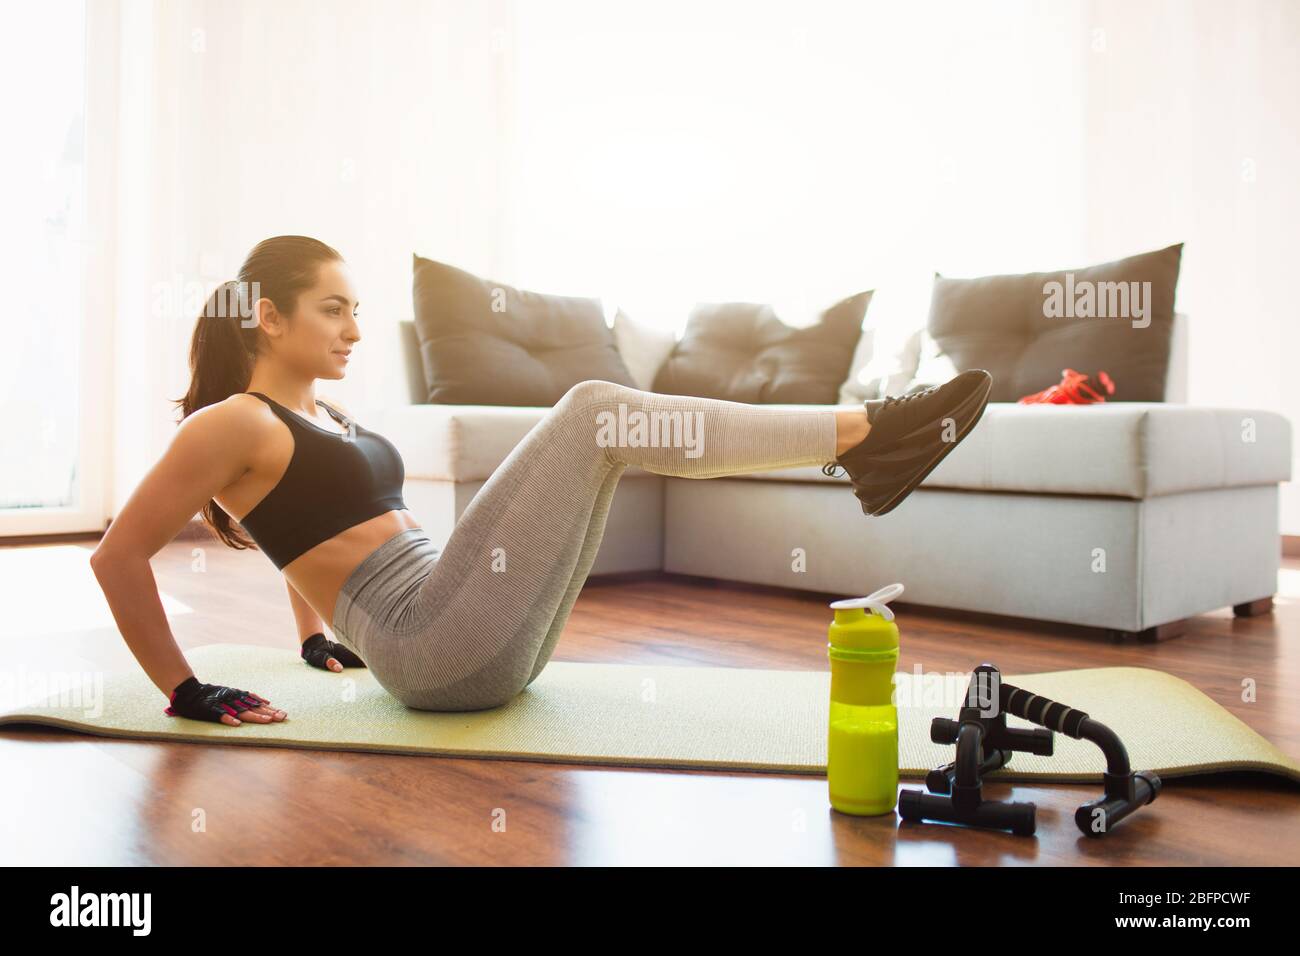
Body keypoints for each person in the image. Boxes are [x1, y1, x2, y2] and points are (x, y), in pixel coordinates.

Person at [90, 235, 991, 725]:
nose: (356, 330)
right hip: (434, 647)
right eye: (334, 310)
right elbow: (117, 557)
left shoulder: (322, 421)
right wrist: (184, 689)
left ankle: (863, 447)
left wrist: (315, 636)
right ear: (267, 318)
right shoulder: (232, 421)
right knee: (597, 409)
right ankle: (867, 432)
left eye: (358, 310)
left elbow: (302, 523)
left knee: (607, 435)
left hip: (469, 639)